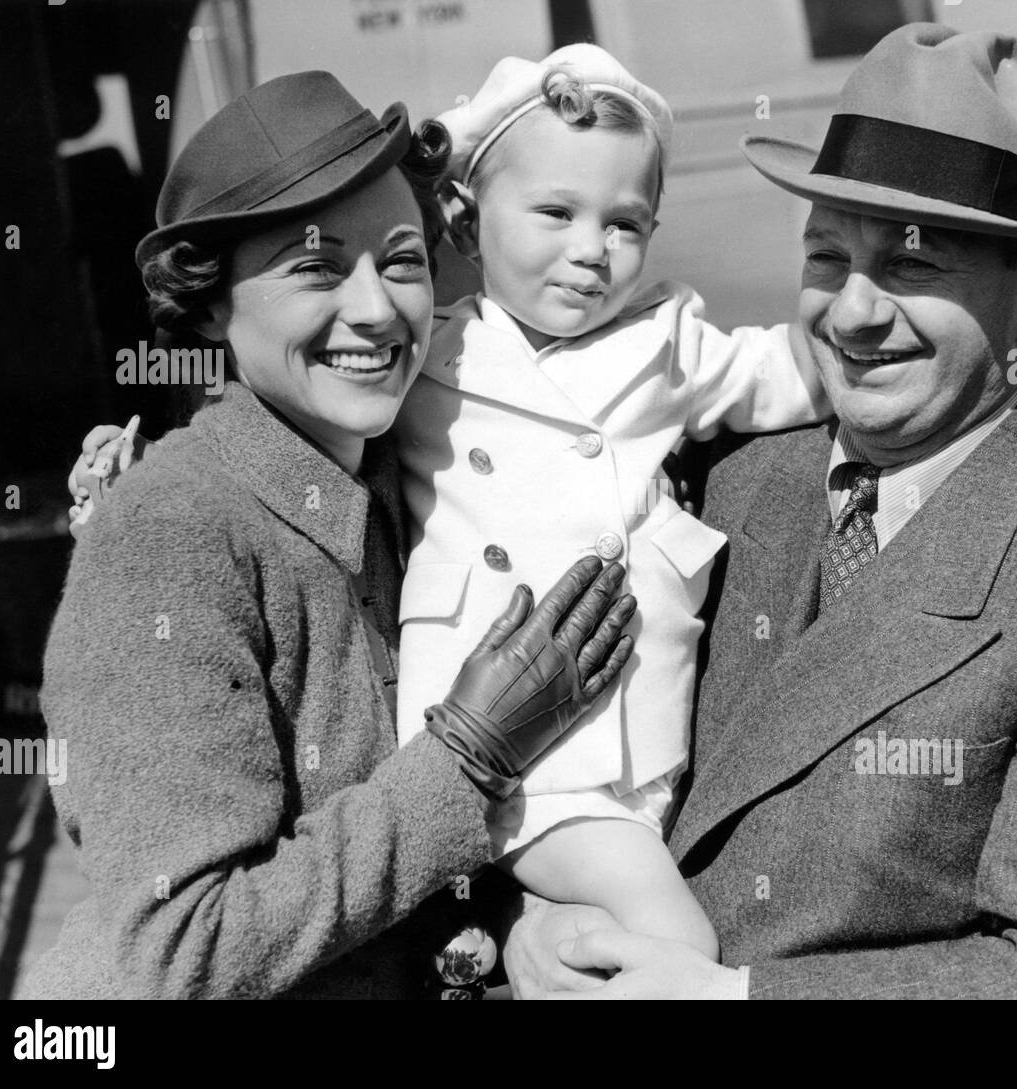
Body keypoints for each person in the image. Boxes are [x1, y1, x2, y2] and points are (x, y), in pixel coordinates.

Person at [505, 23, 1017, 1000]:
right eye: (824, 257)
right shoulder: (717, 467)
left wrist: (729, 999)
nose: (849, 313)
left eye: (910, 266)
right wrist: (540, 916)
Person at [26, 71, 635, 1000]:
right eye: (316, 267)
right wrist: (468, 757)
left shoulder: (414, 468)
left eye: (401, 261)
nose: (377, 310)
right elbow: (178, 952)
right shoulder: (167, 537)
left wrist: (520, 922)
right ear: (212, 301)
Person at [384, 43, 832, 960]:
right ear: (465, 227)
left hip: (635, 737)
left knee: (587, 950)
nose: (593, 250)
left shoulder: (665, 343)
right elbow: (304, 409)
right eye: (556, 212)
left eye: (627, 223)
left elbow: (784, 371)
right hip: (511, 751)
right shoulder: (430, 358)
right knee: (683, 946)